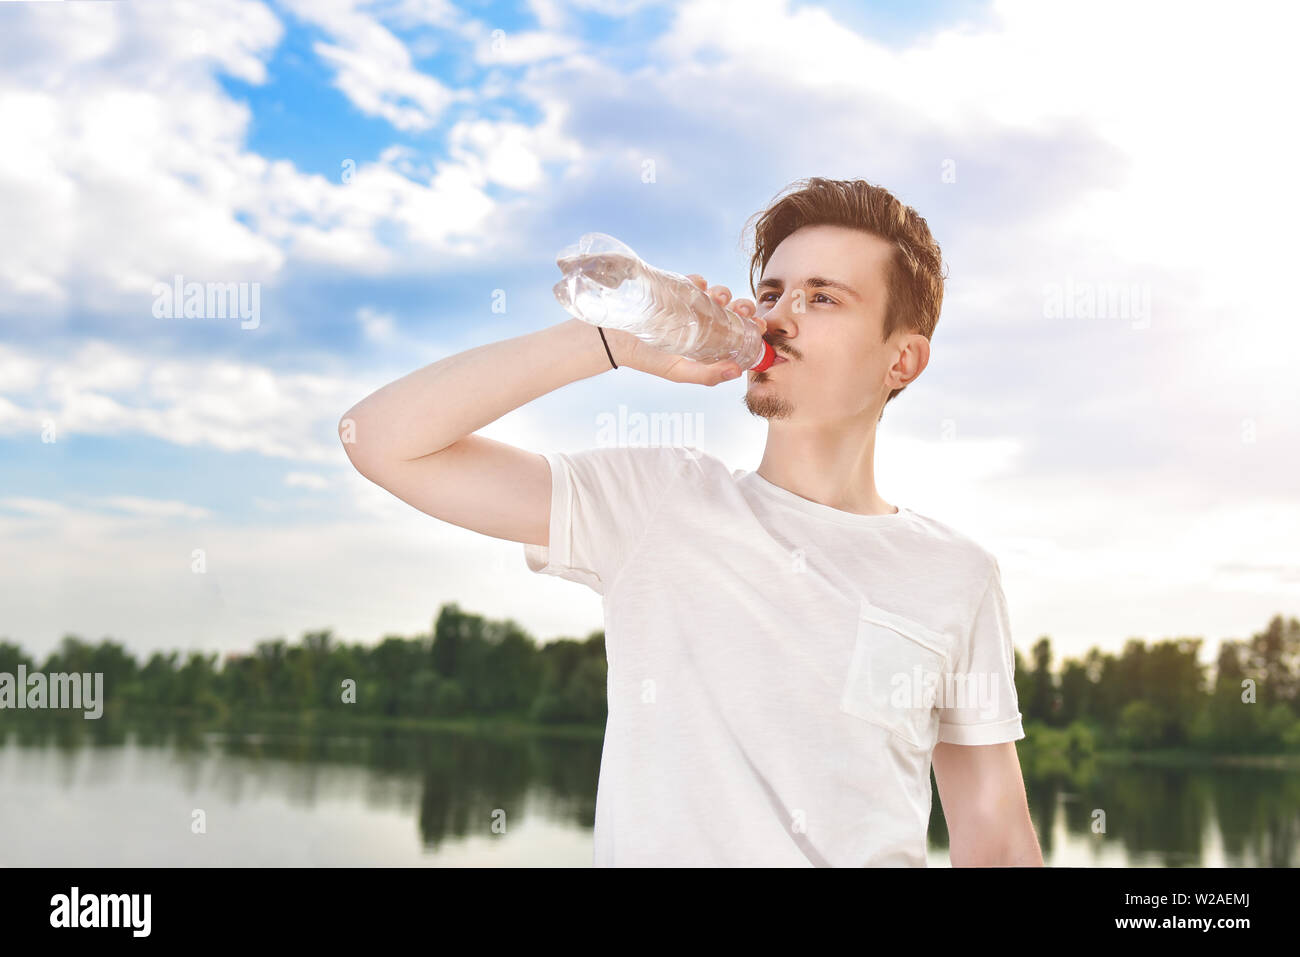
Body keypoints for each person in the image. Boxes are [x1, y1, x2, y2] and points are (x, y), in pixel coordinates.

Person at [340, 176, 1042, 867]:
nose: (779, 315)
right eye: (772, 292)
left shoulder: (957, 575)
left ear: (903, 359)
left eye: (822, 297)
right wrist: (613, 344)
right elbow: (377, 439)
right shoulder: (658, 501)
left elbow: (999, 843)